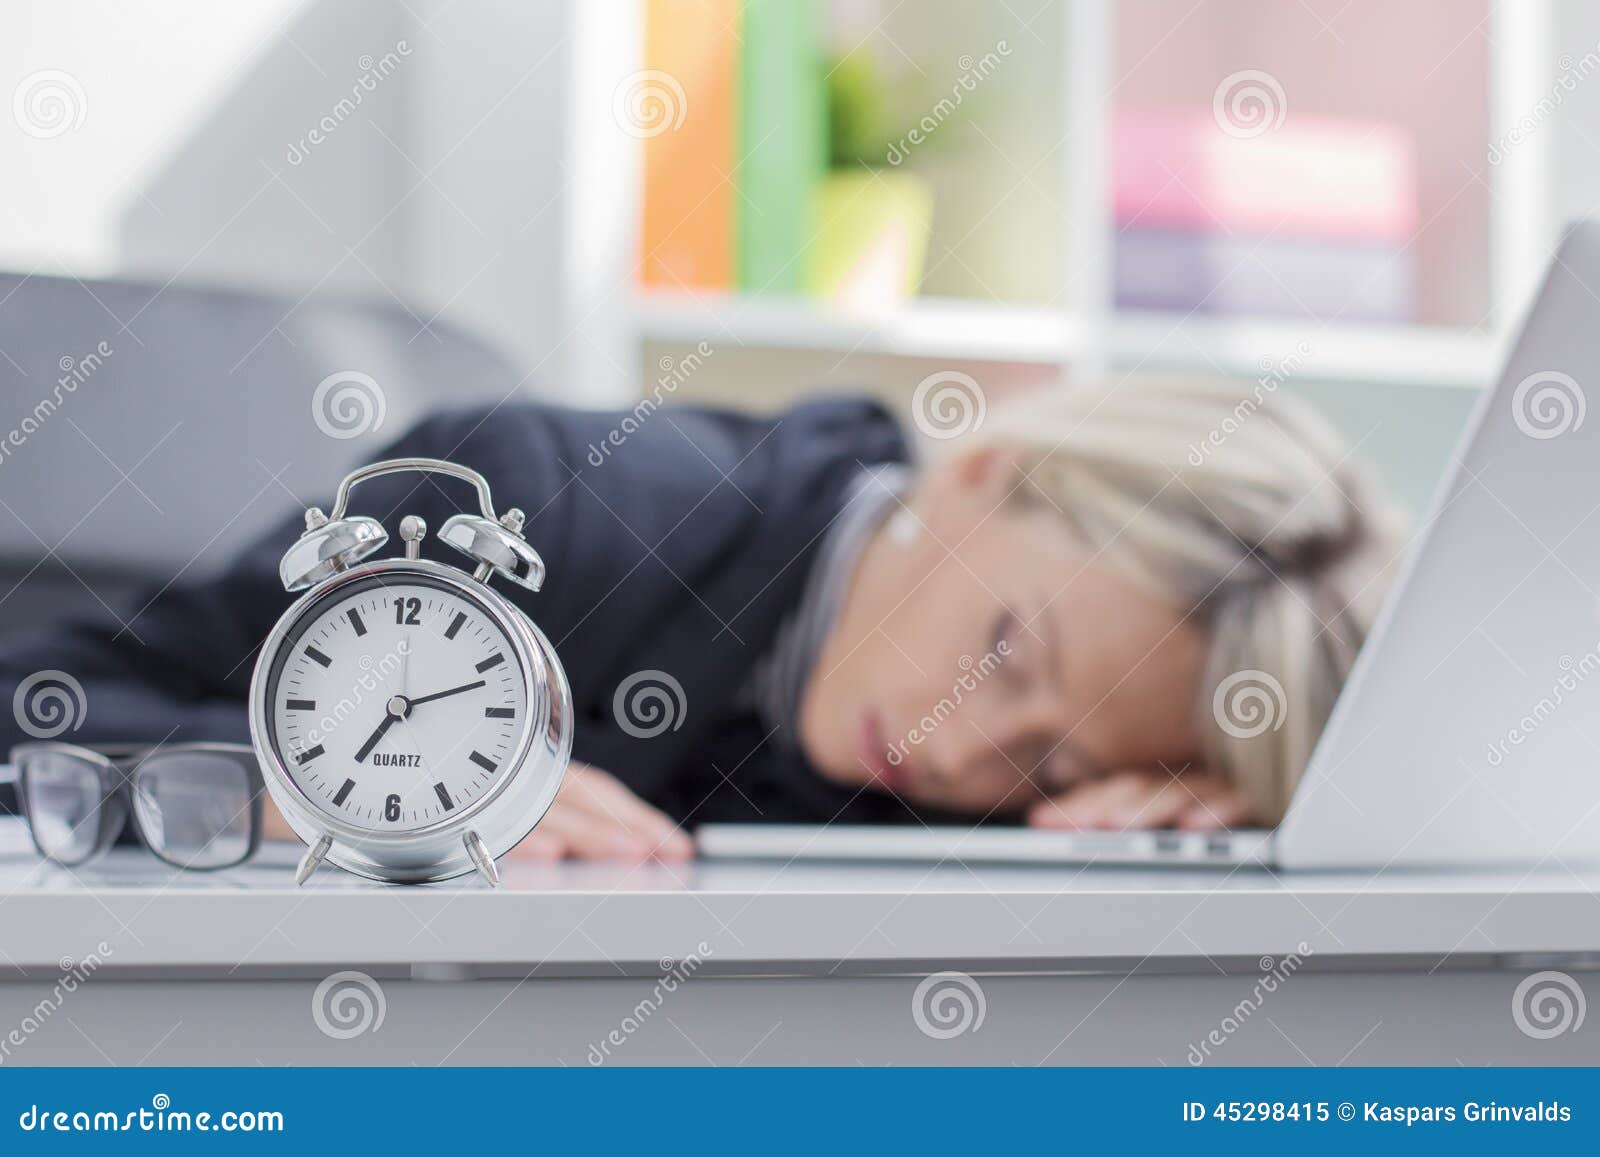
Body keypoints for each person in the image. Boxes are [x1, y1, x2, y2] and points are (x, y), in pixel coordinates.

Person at [0, 378, 1401, 862]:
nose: (960, 751)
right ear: (983, 469)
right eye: (1003, 652)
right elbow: (40, 711)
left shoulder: (991, 806)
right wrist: (313, 799)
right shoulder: (535, 503)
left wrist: (1144, 860)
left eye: (1054, 759)